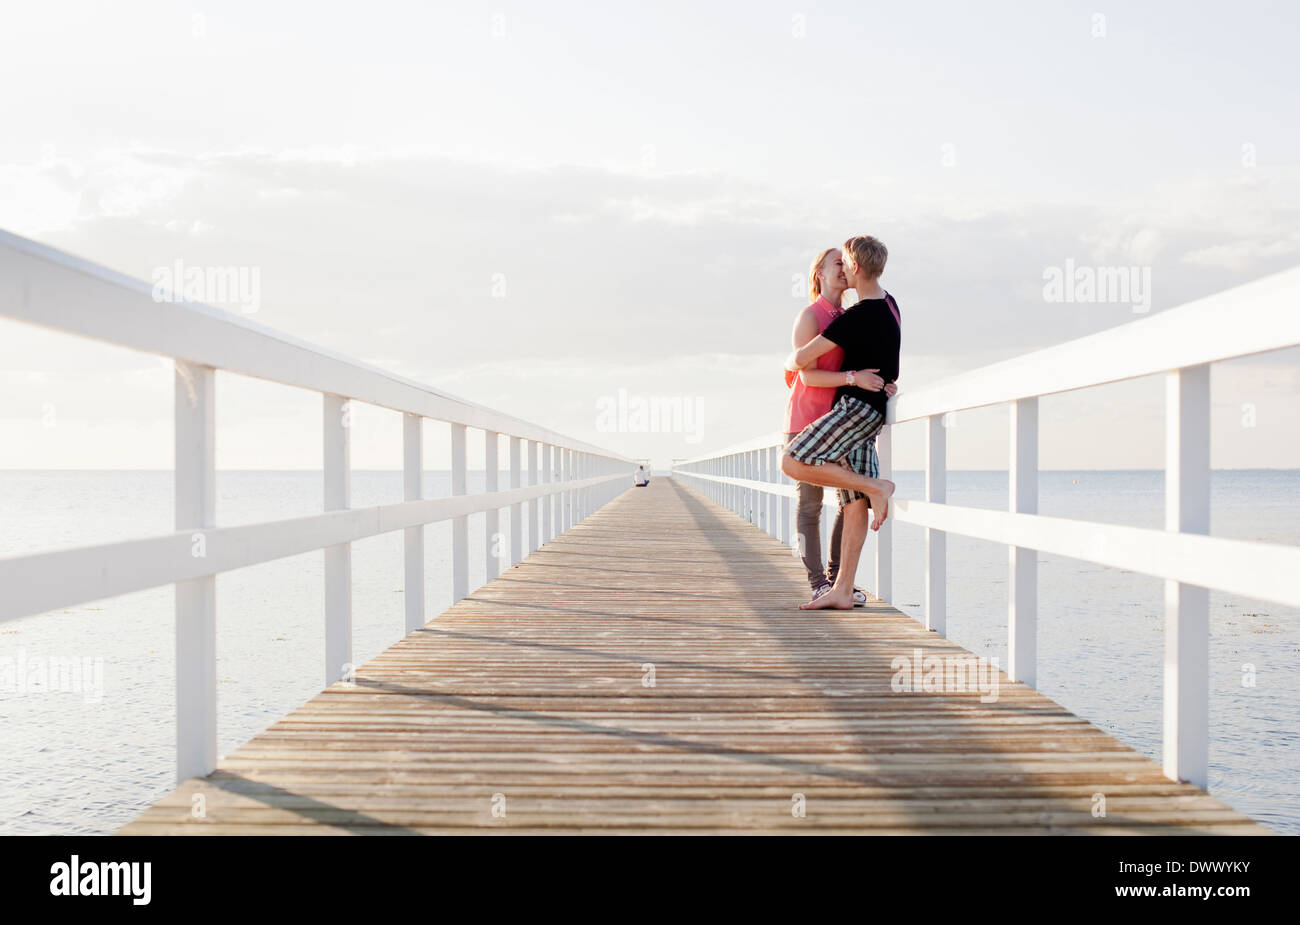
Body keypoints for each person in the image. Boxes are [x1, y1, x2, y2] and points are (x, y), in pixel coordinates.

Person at [781, 235, 901, 611]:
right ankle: (840, 588)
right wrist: (873, 378)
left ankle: (875, 488)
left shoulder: (853, 315)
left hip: (849, 413)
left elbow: (803, 358)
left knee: (791, 462)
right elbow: (799, 363)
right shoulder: (887, 304)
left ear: (856, 269)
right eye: (834, 263)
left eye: (844, 261)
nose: (842, 267)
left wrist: (872, 380)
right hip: (832, 413)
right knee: (849, 503)